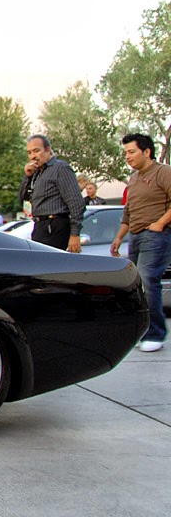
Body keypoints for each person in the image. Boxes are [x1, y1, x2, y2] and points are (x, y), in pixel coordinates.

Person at [110, 133, 171, 353]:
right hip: (134, 235)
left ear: (147, 152)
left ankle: (156, 334)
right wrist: (119, 237)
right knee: (134, 285)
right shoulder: (133, 178)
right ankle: (141, 332)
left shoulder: (163, 172)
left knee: (147, 281)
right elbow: (128, 211)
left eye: (131, 151)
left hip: (156, 235)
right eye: (125, 152)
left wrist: (160, 223)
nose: (127, 156)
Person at [17, 134, 85, 252]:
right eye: (29, 153)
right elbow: (22, 201)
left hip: (55, 226)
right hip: (39, 226)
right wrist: (27, 177)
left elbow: (76, 203)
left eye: (36, 151)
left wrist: (75, 234)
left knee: (52, 266)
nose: (33, 156)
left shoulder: (60, 168)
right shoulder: (36, 174)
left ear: (48, 150)